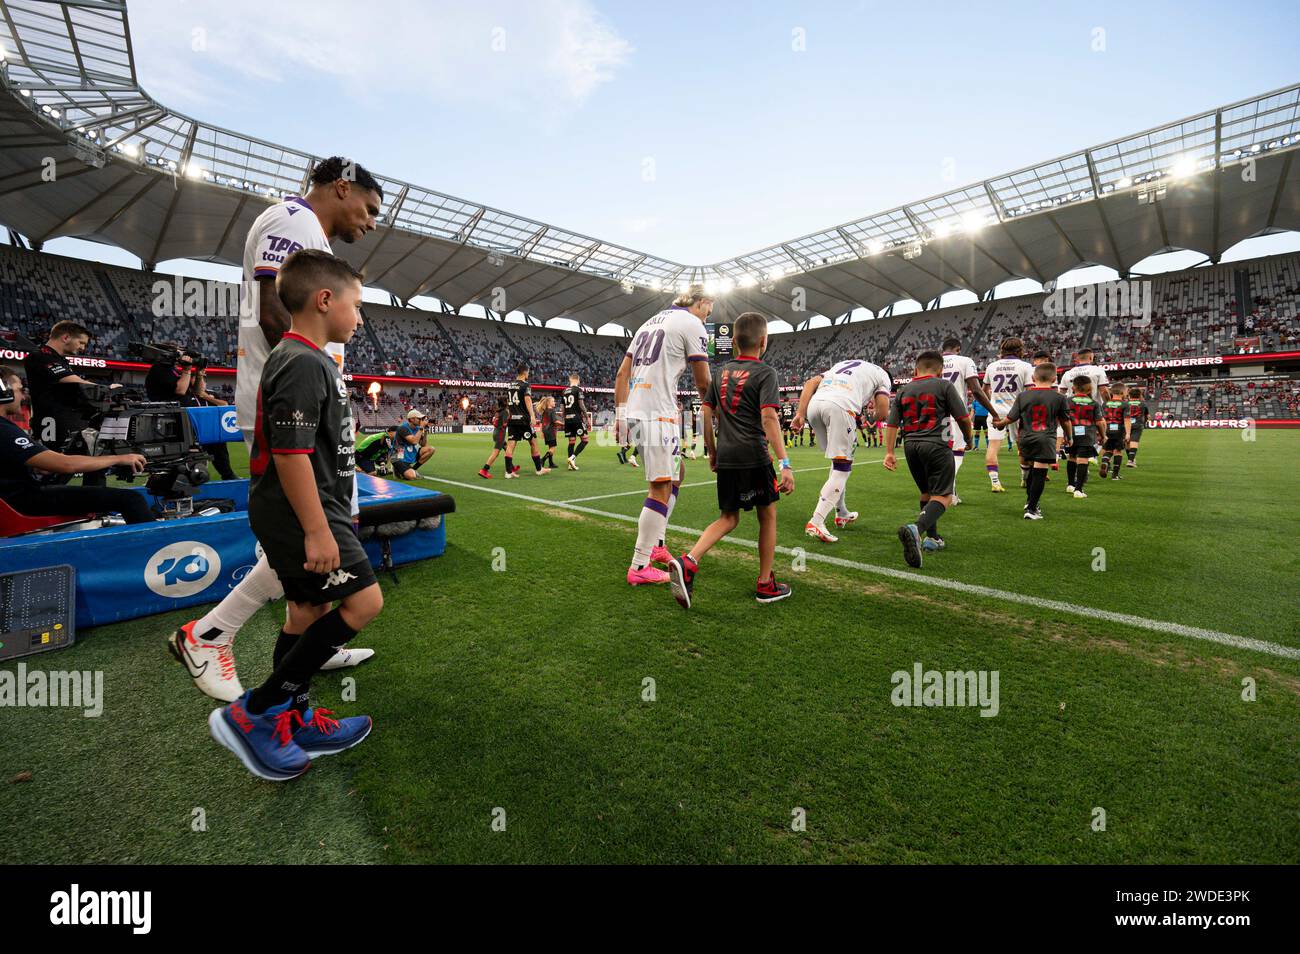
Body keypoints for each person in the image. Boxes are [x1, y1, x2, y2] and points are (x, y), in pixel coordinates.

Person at [170, 156, 382, 703]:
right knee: (308, 531)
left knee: (310, 545)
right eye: (370, 208)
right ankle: (209, 632)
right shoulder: (294, 222)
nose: (372, 221)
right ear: (341, 187)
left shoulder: (307, 232)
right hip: (291, 412)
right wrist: (314, 376)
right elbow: (275, 310)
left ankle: (308, 644)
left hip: (301, 406)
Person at [209, 249, 381, 782]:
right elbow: (290, 454)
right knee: (364, 603)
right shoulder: (304, 361)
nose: (359, 318)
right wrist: (316, 529)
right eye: (356, 305)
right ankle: (256, 713)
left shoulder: (307, 358)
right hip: (302, 514)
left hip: (310, 509)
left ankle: (295, 715)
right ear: (325, 300)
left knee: (305, 613)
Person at [667, 311, 794, 608]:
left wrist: (712, 450)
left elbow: (706, 411)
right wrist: (785, 463)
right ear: (763, 341)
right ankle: (765, 584)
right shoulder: (766, 373)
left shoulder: (720, 372)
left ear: (734, 341)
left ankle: (689, 560)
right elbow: (769, 416)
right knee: (767, 515)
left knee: (728, 518)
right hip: (754, 454)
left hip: (726, 455)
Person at [614, 283, 712, 585]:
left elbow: (622, 374)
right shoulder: (693, 324)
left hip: (638, 409)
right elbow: (703, 383)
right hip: (658, 411)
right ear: (702, 302)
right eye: (710, 307)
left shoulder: (649, 322)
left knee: (677, 472)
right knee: (659, 487)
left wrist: (620, 417)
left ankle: (657, 544)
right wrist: (714, 415)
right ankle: (640, 565)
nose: (710, 314)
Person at [0, 370, 153, 526]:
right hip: (21, 500)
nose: (24, 396)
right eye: (19, 390)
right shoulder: (3, 428)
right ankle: (153, 547)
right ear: (4, 391)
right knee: (132, 499)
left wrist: (38, 467)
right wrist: (121, 458)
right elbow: (66, 465)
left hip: (14, 497)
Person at [883, 351, 970, 567]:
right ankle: (917, 529)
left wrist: (890, 452)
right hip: (937, 445)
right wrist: (968, 439)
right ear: (940, 371)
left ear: (915, 370)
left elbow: (892, 424)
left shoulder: (903, 390)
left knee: (927, 493)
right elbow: (962, 417)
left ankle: (933, 538)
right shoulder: (944, 386)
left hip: (911, 446)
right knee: (944, 496)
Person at [792, 357, 892, 543]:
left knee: (838, 463)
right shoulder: (883, 375)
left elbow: (810, 383)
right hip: (840, 406)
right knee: (842, 469)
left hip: (815, 405)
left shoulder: (842, 364)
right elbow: (883, 411)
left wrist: (800, 413)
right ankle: (817, 521)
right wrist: (870, 417)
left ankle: (842, 512)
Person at [22, 320, 114, 487]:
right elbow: (74, 382)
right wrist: (109, 389)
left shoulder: (58, 359)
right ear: (65, 337)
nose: (83, 348)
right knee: (54, 472)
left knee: (94, 463)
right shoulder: (40, 356)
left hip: (69, 422)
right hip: (53, 424)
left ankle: (95, 507)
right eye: (81, 342)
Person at [996, 363, 1072, 519]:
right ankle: (1031, 509)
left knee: (1031, 470)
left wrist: (1000, 424)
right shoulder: (1059, 397)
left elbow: (1011, 417)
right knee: (1040, 471)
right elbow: (1065, 421)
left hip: (1025, 438)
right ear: (1054, 379)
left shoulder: (1023, 395)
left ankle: (1030, 502)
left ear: (1032, 378)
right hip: (1045, 437)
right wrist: (1069, 437)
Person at [941, 338, 1000, 505]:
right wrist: (993, 413)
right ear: (958, 348)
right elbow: (976, 389)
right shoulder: (964, 361)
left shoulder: (933, 361)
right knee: (957, 452)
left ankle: (945, 492)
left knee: (941, 454)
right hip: (954, 414)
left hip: (933, 415)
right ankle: (949, 493)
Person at [980, 337, 1034, 493]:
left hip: (996, 411)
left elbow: (984, 391)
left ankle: (995, 482)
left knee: (993, 447)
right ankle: (1024, 479)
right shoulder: (1025, 366)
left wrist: (992, 403)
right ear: (1020, 350)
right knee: (1022, 446)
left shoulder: (992, 366)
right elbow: (1030, 392)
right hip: (1018, 411)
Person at [185, 367, 239, 481]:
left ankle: (228, 475)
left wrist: (206, 397)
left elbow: (224, 405)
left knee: (221, 452)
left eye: (203, 380)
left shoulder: (211, 393)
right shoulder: (187, 395)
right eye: (196, 379)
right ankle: (195, 477)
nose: (201, 383)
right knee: (195, 457)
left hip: (212, 431)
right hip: (194, 433)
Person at [503, 364, 547, 478]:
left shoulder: (510, 385)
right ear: (525, 372)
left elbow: (508, 402)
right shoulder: (526, 385)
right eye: (528, 372)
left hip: (513, 419)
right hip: (524, 420)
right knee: (533, 442)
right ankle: (539, 469)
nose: (528, 374)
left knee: (511, 444)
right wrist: (532, 416)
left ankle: (508, 472)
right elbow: (527, 400)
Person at [1064, 377, 1102, 498]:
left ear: (1073, 388)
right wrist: (1102, 435)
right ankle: (1079, 490)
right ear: (1090, 388)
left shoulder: (1067, 401)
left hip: (1071, 433)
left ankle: (1070, 485)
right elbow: (1099, 422)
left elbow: (1062, 419)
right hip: (1087, 434)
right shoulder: (1094, 403)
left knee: (1072, 457)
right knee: (1083, 460)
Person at [1098, 383, 1130, 481]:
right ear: (1122, 392)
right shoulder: (1125, 404)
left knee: (1108, 450)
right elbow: (1127, 420)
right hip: (1119, 430)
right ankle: (1115, 475)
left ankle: (1105, 462)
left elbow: (1101, 419)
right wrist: (1128, 433)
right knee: (1118, 451)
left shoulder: (1104, 404)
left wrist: (1100, 433)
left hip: (1107, 429)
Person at [391, 408, 434, 479]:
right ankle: (397, 468)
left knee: (431, 449)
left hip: (410, 452)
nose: (421, 420)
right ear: (411, 419)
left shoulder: (417, 428)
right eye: (419, 418)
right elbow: (414, 441)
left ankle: (413, 469)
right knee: (411, 476)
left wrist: (425, 431)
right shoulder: (403, 428)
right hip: (399, 455)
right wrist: (421, 428)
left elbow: (423, 444)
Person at [562, 373, 590, 470]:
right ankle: (572, 458)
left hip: (568, 419)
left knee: (571, 441)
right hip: (577, 419)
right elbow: (581, 405)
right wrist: (587, 417)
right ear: (578, 380)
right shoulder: (578, 390)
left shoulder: (564, 391)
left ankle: (570, 465)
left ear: (570, 379)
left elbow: (562, 408)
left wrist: (564, 419)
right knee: (585, 440)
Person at [478, 395, 511, 478]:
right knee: (495, 453)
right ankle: (484, 470)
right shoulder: (505, 412)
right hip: (500, 433)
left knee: (507, 449)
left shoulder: (498, 411)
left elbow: (496, 422)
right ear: (505, 402)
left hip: (495, 432)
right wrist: (511, 420)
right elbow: (504, 424)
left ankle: (511, 467)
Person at [1125, 386, 1148, 467]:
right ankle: (1131, 461)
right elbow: (1147, 416)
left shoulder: (1125, 403)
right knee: (1134, 441)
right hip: (1137, 424)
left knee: (1127, 442)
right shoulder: (1143, 403)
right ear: (1139, 395)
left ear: (1129, 395)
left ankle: (1131, 459)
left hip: (1126, 424)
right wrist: (1144, 423)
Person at [537, 396, 560, 470]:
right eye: (553, 401)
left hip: (546, 431)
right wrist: (564, 424)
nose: (555, 402)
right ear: (549, 403)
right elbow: (555, 421)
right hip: (551, 431)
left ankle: (551, 463)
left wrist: (542, 432)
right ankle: (542, 460)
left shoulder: (545, 411)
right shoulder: (552, 410)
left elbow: (542, 422)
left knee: (550, 446)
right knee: (552, 448)